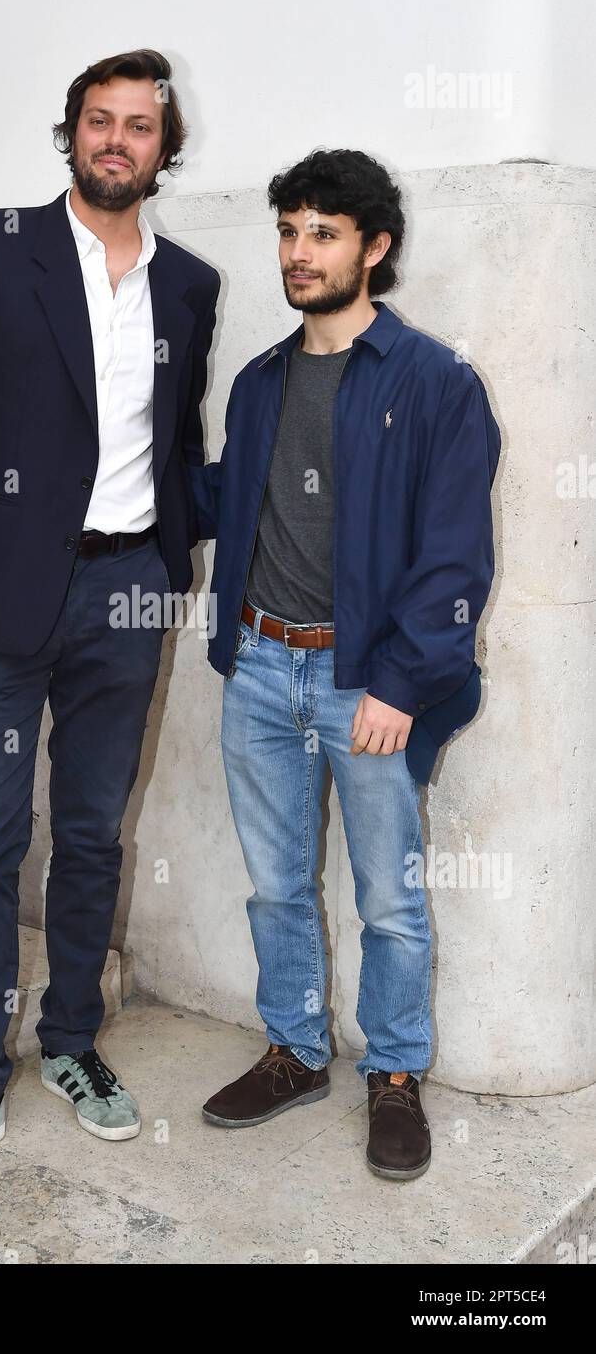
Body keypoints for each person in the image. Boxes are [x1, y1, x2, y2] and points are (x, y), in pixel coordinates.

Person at [0, 49, 220, 1194]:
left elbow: (175, 442)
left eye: (138, 125)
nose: (117, 139)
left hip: (127, 596)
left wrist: (177, 556)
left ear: (164, 148)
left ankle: (71, 1039)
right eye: (98, 120)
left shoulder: (188, 285)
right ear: (70, 133)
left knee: (92, 832)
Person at [191, 148, 501, 1181]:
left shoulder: (434, 382)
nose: (298, 251)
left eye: (322, 233)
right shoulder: (258, 382)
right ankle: (294, 1052)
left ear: (374, 247)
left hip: (366, 681)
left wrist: (400, 685)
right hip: (259, 670)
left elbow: (454, 558)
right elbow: (226, 499)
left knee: (388, 900)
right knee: (275, 887)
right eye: (288, 230)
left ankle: (395, 1072)